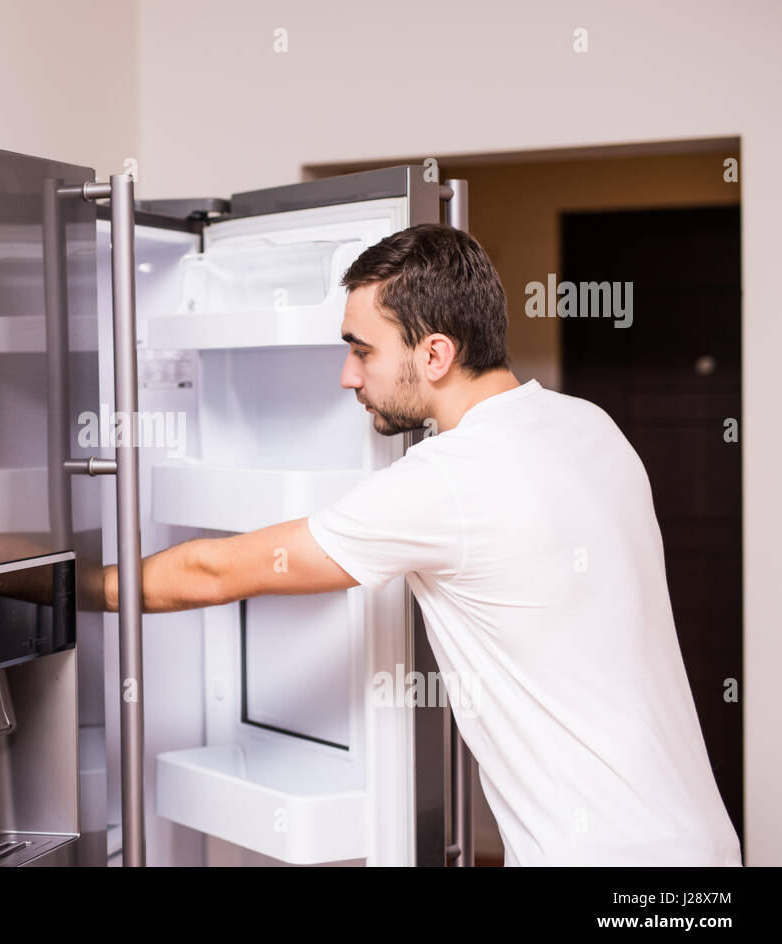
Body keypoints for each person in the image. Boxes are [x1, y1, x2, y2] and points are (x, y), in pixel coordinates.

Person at [100, 222, 742, 867]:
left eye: (363, 350)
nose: (349, 376)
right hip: (700, 843)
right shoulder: (588, 422)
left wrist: (47, 582)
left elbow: (212, 570)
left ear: (435, 355)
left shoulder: (447, 480)